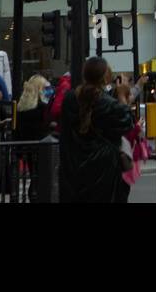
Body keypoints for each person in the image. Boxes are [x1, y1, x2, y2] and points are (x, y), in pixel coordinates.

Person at [59, 57, 132, 203]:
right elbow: (126, 123)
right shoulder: (107, 104)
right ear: (106, 78)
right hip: (102, 172)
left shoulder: (69, 99)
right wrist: (122, 96)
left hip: (72, 172)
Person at [15, 75, 52, 140]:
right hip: (40, 144)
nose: (49, 90)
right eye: (46, 88)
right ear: (40, 89)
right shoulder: (42, 107)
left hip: (23, 144)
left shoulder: (20, 106)